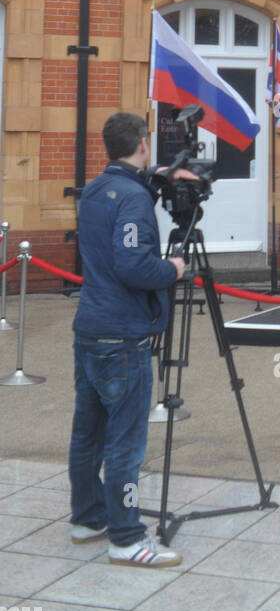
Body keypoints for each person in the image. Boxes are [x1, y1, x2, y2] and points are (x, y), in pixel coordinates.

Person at [68, 112, 186, 566]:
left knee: (88, 435)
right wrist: (172, 269)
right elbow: (133, 265)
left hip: (90, 330)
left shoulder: (97, 189)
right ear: (142, 141)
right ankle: (127, 537)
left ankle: (87, 518)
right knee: (126, 444)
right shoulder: (135, 199)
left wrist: (156, 176)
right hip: (122, 337)